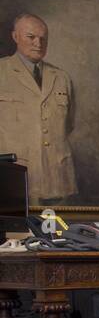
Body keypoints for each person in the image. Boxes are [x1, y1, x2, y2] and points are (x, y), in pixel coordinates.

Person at [0, 13, 76, 203]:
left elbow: (69, 125)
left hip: (58, 179)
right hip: (16, 179)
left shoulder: (62, 77)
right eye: (31, 37)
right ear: (15, 36)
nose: (38, 43)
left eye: (43, 38)